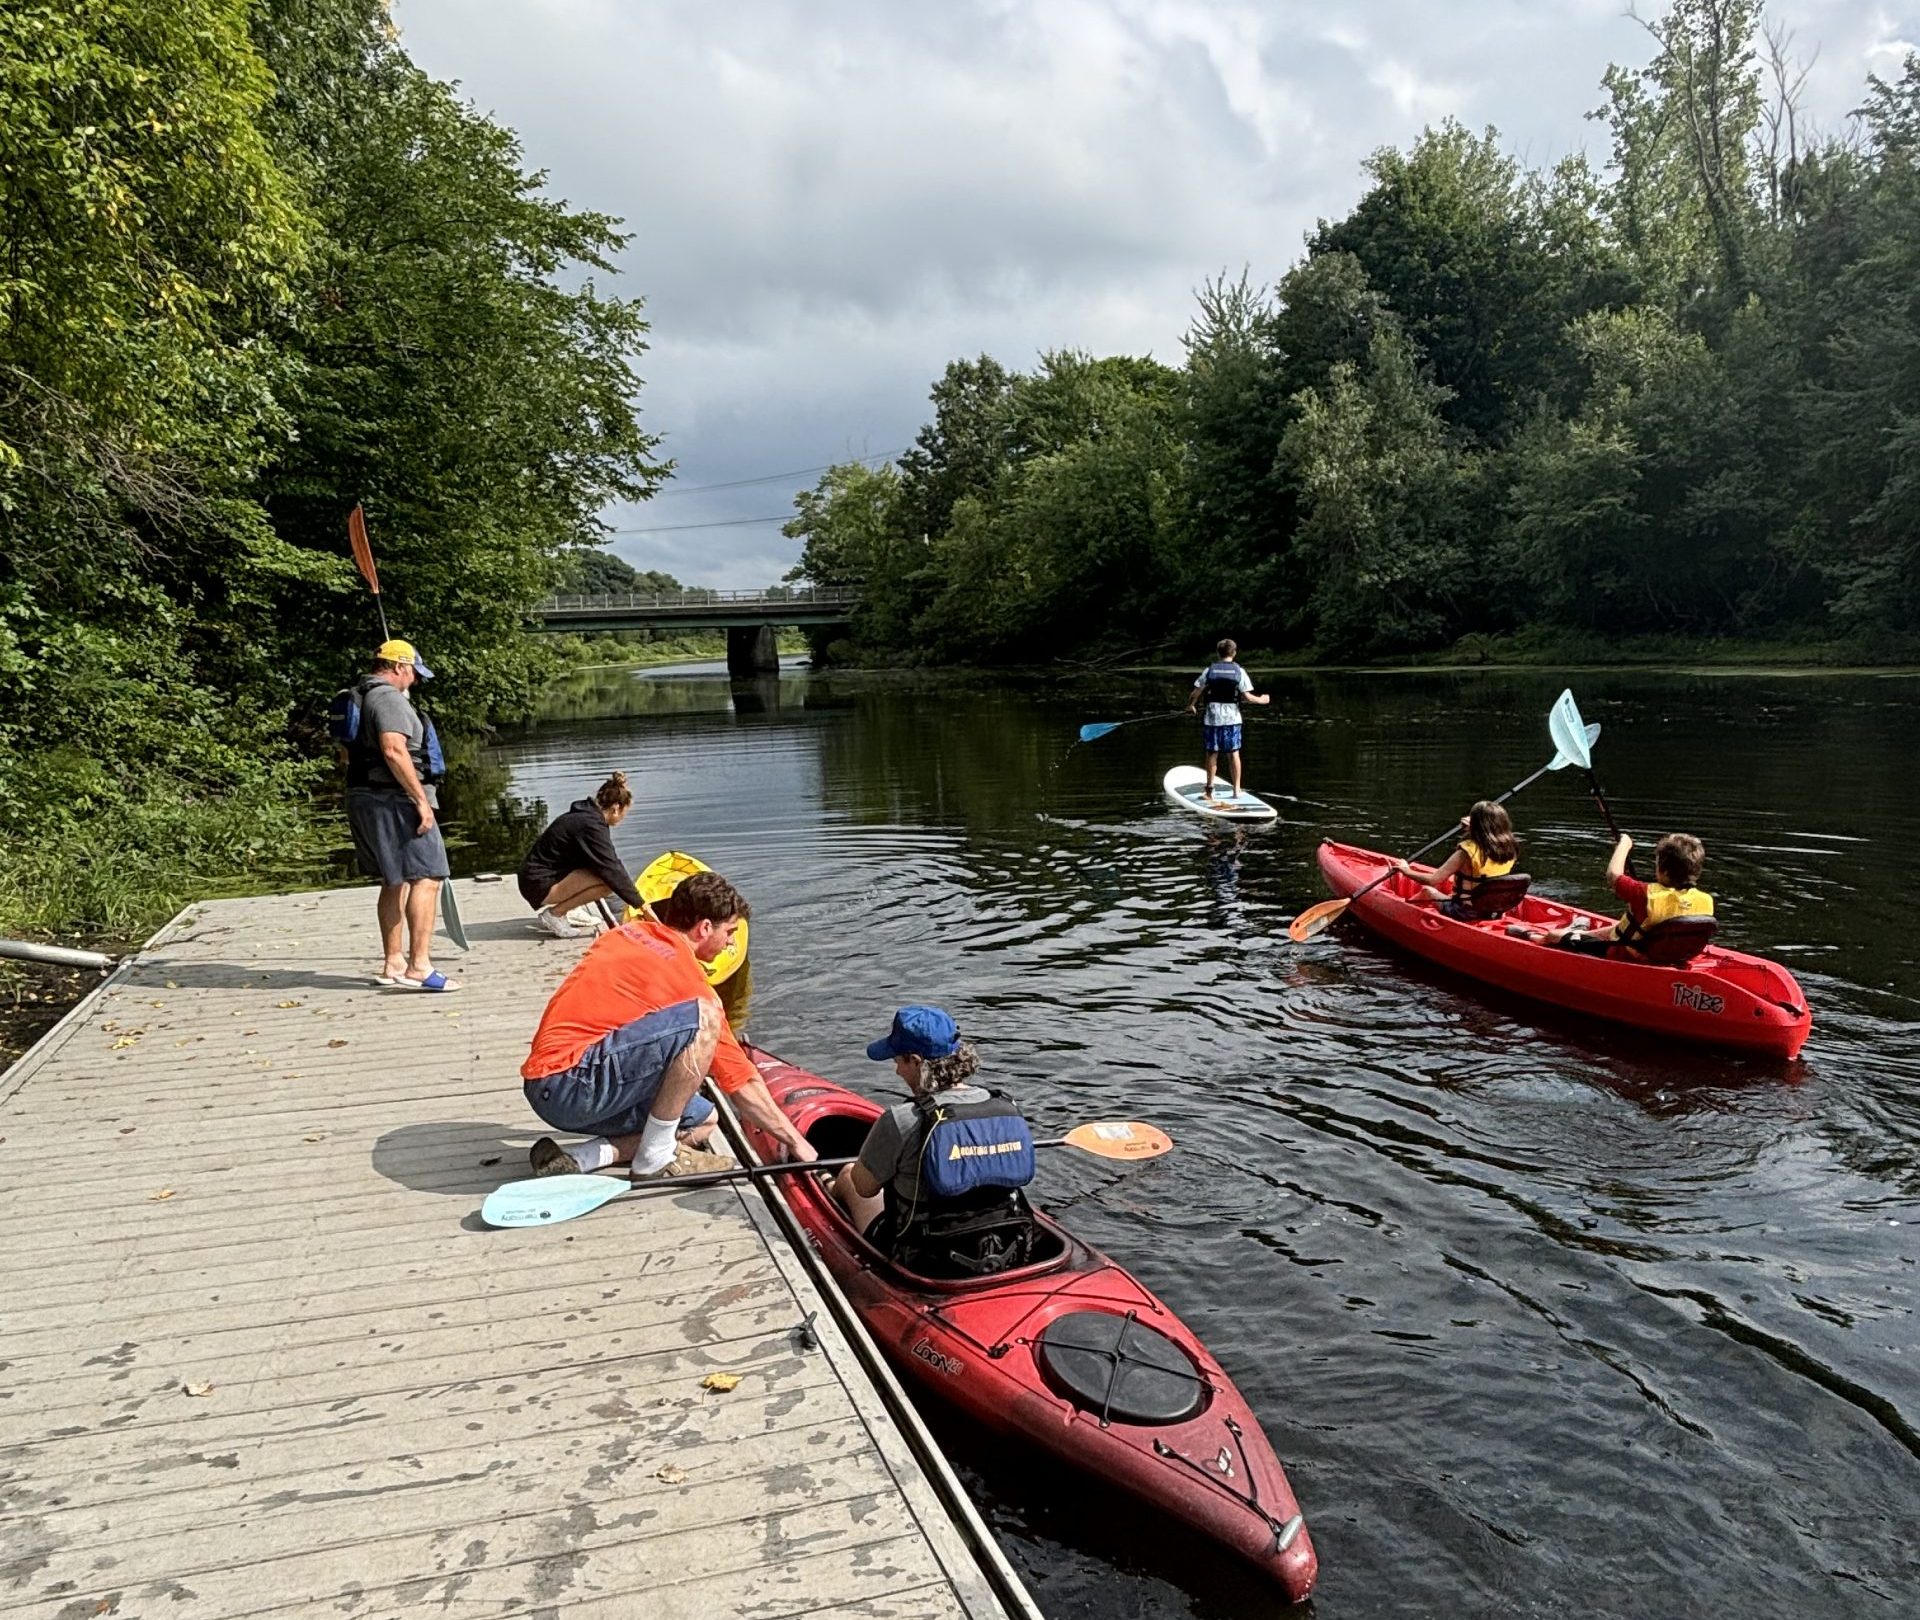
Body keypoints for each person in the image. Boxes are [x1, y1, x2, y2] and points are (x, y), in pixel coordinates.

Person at [520, 869, 817, 1179]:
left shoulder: (627, 933)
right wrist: (797, 1142)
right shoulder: (687, 981)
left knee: (703, 1120)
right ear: (704, 928)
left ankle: (579, 1159)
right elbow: (740, 1083)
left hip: (545, 1085)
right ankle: (655, 1157)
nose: (730, 943)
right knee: (706, 1018)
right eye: (729, 932)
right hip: (572, 1084)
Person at [831, 1006, 1036, 1269]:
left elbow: (865, 1188)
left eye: (897, 1062)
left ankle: (822, 1189)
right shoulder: (1007, 1107)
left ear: (915, 1061)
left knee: (849, 1175)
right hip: (1004, 1245)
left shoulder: (903, 1119)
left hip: (925, 1257)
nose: (897, 1072)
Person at [343, 639, 459, 992]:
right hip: (395, 800)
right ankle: (419, 967)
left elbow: (346, 757)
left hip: (364, 796)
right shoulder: (389, 699)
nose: (415, 681)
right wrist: (421, 801)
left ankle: (393, 962)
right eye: (413, 674)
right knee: (428, 875)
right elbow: (394, 750)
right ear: (398, 667)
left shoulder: (358, 695)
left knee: (394, 879)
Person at [1513, 832, 1714, 957]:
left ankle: (1534, 938)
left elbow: (1613, 875)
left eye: (1657, 864)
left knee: (1552, 935)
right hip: (1664, 953)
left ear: (1666, 871)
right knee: (1602, 931)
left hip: (1622, 954)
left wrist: (1624, 845)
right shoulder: (1705, 901)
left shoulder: (1645, 894)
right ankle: (1577, 932)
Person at [518, 772, 648, 937]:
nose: (623, 817)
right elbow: (612, 869)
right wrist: (642, 906)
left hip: (535, 877)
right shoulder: (591, 825)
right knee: (608, 882)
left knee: (598, 866)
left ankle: (571, 909)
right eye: (624, 812)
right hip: (537, 883)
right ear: (616, 808)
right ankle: (556, 914)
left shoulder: (586, 816)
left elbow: (607, 860)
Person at [1394, 800, 1518, 917]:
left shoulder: (1466, 853)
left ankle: (1400, 915)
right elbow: (1486, 842)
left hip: (1465, 912)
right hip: (1494, 911)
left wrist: (1405, 870)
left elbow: (1433, 880)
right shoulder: (1510, 847)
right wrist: (1473, 829)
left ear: (1476, 826)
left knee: (1427, 891)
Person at [1184, 637, 1270, 803]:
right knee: (1233, 753)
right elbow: (1247, 697)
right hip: (1233, 719)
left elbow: (1195, 693)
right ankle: (1237, 790)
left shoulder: (1209, 670)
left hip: (1212, 719)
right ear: (1234, 653)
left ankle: (1209, 790)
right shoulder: (1240, 671)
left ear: (1218, 653)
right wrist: (1263, 700)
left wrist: (1190, 706)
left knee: (1212, 753)